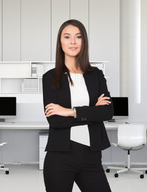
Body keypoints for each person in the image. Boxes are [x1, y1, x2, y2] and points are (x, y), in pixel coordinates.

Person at [42, 19, 114, 192]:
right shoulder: (50, 77)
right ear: (60, 42)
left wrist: (70, 112)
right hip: (60, 157)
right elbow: (55, 121)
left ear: (84, 41)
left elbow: (107, 112)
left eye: (78, 37)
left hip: (92, 156)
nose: (73, 42)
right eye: (67, 37)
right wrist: (92, 113)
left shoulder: (95, 75)